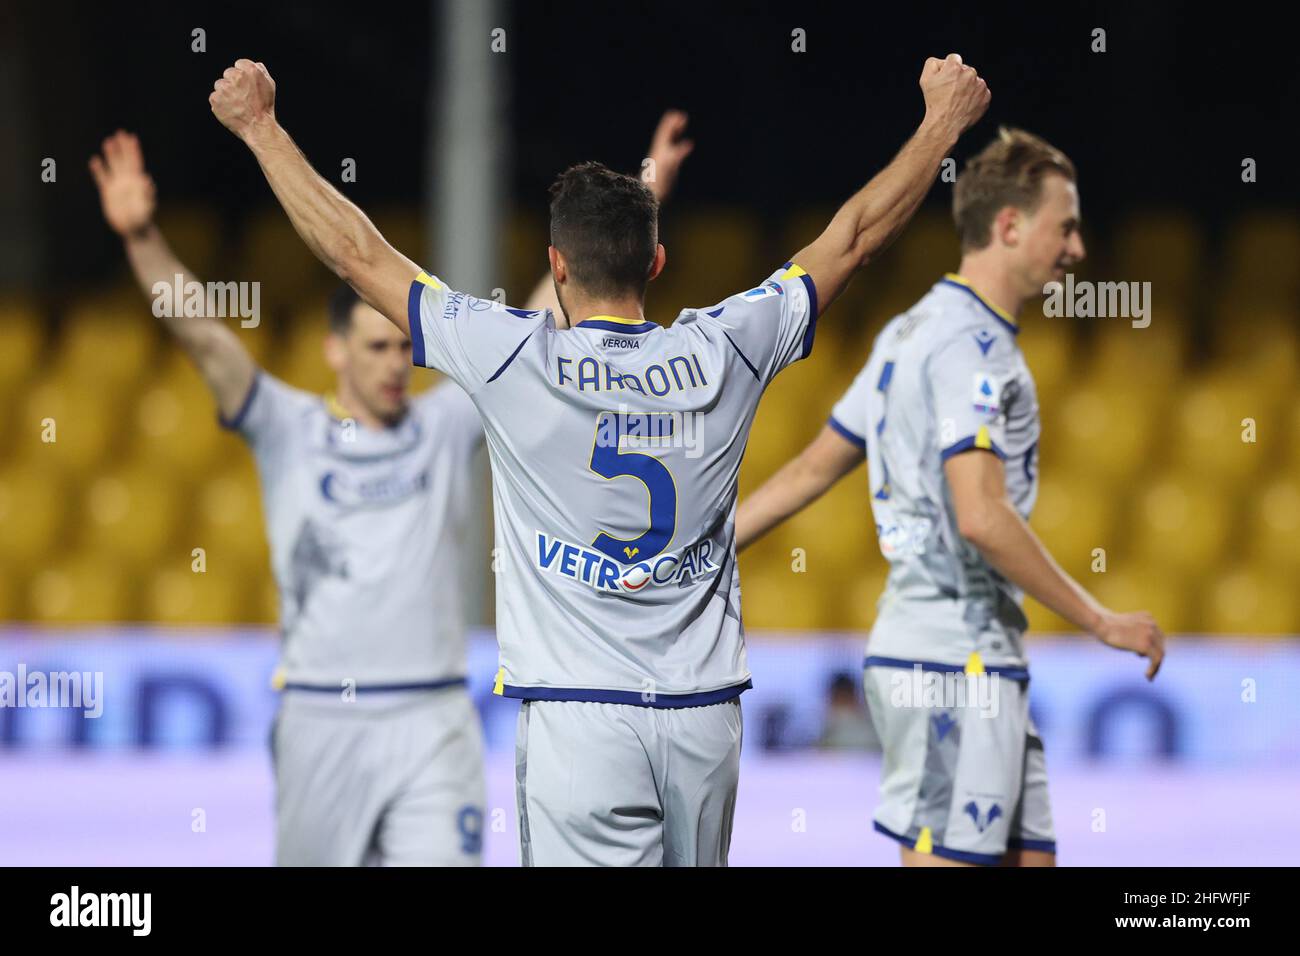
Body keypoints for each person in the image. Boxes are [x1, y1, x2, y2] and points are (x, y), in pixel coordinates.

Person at [206, 53, 990, 866]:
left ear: (555, 267)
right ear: (654, 263)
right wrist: (941, 124)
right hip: (703, 715)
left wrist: (262, 130)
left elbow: (356, 255)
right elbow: (853, 239)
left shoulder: (512, 356)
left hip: (579, 717)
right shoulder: (727, 345)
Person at [735, 127, 1166, 867]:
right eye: (1065, 227)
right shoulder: (971, 347)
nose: (1077, 250)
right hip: (951, 668)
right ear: (1009, 225)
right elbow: (981, 515)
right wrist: (1100, 620)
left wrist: (695, 552)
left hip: (964, 659)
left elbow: (811, 470)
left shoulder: (910, 330)